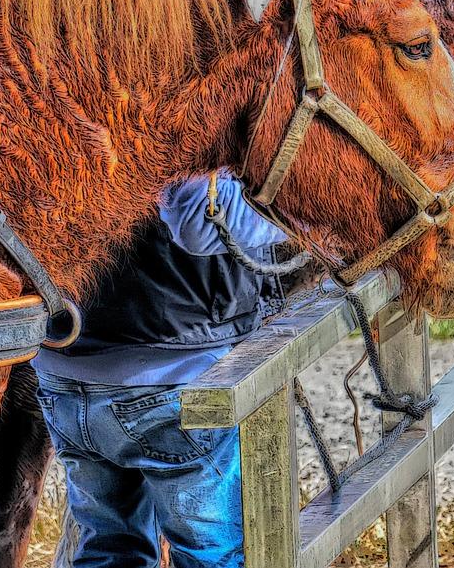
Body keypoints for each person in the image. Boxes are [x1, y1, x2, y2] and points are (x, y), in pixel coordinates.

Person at [33, 173, 285, 568]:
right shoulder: (180, 110)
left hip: (64, 371)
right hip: (169, 373)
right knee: (211, 556)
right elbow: (199, 220)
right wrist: (303, 212)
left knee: (110, 549)